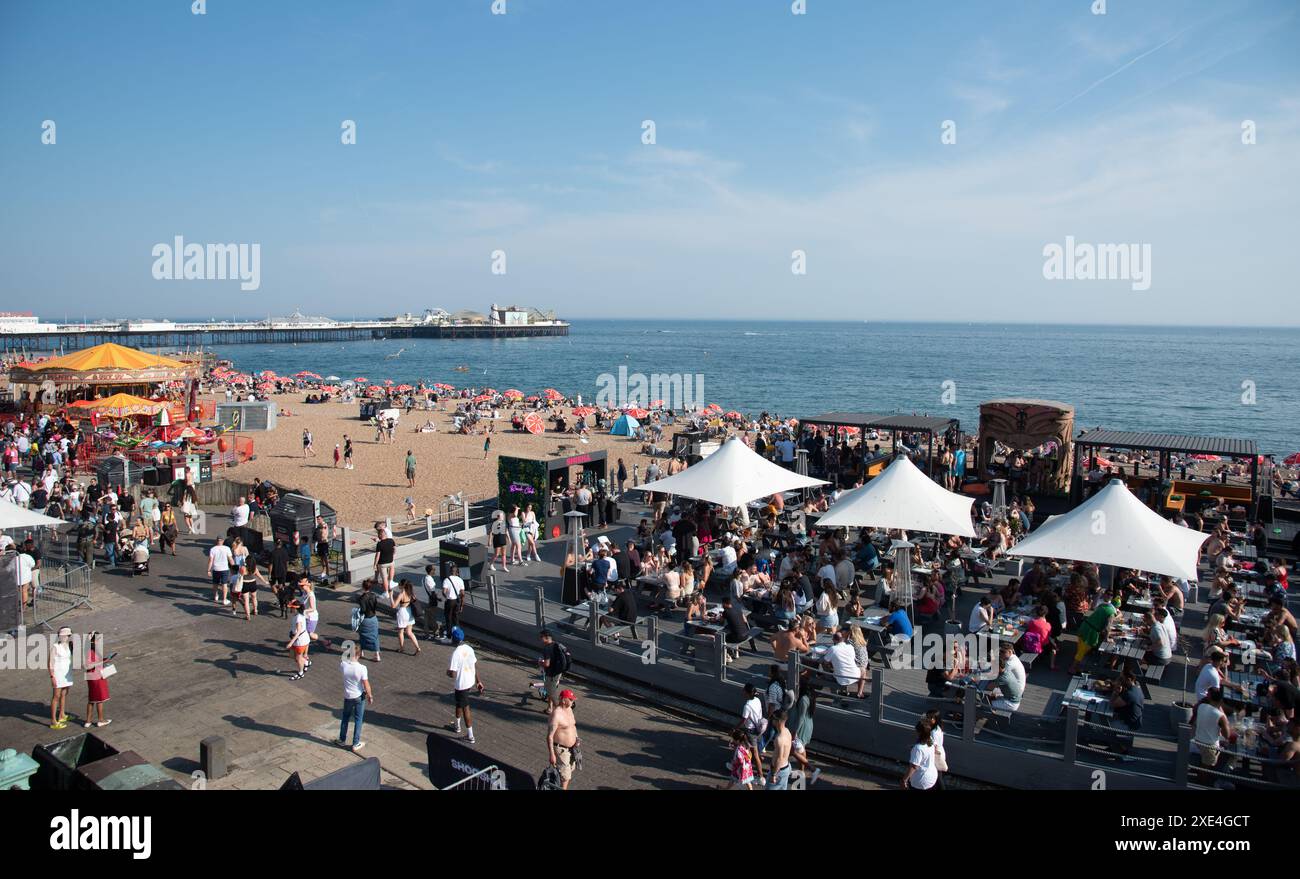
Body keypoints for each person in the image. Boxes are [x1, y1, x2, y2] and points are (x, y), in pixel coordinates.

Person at [447, 628, 484, 744]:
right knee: (459, 703)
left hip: (461, 684)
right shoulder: (469, 648)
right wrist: (478, 681)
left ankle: (470, 736)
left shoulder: (456, 653)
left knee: (465, 707)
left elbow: (452, 674)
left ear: (454, 639)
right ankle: (457, 725)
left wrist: (447, 672)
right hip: (470, 680)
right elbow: (474, 664)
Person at [1069, 594, 1119, 674]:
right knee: (1082, 651)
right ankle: (1072, 668)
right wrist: (1107, 638)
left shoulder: (1103, 606)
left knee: (1080, 649)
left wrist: (1114, 633)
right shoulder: (1111, 613)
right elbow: (1107, 628)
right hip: (1091, 631)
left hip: (1085, 626)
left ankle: (1077, 667)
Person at [337, 644, 373, 752]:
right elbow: (366, 684)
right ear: (359, 655)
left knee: (345, 718)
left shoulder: (343, 665)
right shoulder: (362, 668)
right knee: (358, 719)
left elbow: (343, 660)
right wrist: (370, 695)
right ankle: (355, 743)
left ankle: (342, 740)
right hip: (358, 696)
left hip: (347, 696)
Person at [546, 689, 580, 790]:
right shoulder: (556, 715)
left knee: (568, 772)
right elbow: (549, 736)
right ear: (564, 700)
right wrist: (552, 754)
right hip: (561, 750)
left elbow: (573, 726)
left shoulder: (569, 709)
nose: (573, 701)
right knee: (565, 776)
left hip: (572, 749)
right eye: (571, 699)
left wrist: (576, 738)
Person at [1193, 687, 1232, 768]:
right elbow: (1227, 735)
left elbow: (1195, 723)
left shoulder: (1201, 706)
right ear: (1221, 701)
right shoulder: (1220, 716)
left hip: (1197, 740)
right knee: (1206, 769)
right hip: (1209, 746)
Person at [83, 631, 111, 728]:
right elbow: (87, 665)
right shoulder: (90, 651)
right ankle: (101, 720)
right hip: (96, 676)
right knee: (100, 699)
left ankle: (88, 721)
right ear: (93, 640)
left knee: (91, 699)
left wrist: (104, 660)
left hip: (91, 676)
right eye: (98, 639)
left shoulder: (90, 650)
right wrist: (101, 663)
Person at [901, 720, 939, 790]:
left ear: (919, 733)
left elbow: (914, 767)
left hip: (921, 779)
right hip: (932, 776)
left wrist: (904, 780)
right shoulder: (930, 741)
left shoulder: (918, 748)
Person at [989, 642, 1026, 713]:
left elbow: (996, 675)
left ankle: (991, 716)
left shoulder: (1009, 664)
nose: (1000, 653)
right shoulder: (1013, 658)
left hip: (1017, 692)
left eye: (1002, 652)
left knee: (989, 696)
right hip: (1016, 689)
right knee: (992, 696)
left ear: (1010, 651)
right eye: (1000, 651)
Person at [49, 626, 74, 729]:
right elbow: (50, 663)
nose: (63, 637)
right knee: (56, 697)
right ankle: (53, 721)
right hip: (58, 675)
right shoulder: (55, 647)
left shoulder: (69, 645)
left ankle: (62, 715)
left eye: (66, 635)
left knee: (64, 693)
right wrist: (52, 677)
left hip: (66, 674)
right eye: (61, 635)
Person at [539, 629, 570, 712]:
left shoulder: (546, 649)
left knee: (551, 692)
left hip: (552, 673)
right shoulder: (556, 644)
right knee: (550, 690)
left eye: (541, 637)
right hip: (558, 671)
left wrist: (540, 663)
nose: (540, 639)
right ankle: (550, 708)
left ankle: (560, 711)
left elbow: (547, 664)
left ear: (547, 637)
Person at [355, 579, 382, 662]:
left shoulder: (361, 598)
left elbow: (363, 610)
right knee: (375, 636)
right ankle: (377, 655)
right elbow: (375, 606)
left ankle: (361, 652)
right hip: (373, 618)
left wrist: (357, 611)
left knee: (362, 635)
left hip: (365, 620)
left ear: (363, 587)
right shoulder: (373, 595)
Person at [393, 579, 422, 655]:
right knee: (409, 632)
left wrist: (390, 597)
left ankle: (402, 648)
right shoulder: (411, 593)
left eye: (400, 584)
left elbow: (393, 605)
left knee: (400, 632)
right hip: (409, 612)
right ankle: (417, 647)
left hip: (402, 612)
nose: (399, 585)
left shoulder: (401, 594)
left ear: (403, 586)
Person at [767, 708, 793, 790]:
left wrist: (773, 775)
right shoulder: (787, 731)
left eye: (773, 719)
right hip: (786, 767)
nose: (772, 721)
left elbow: (779, 759)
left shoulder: (779, 739)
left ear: (778, 721)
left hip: (779, 771)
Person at [287, 601, 311, 681]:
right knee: (293, 656)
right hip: (301, 640)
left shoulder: (298, 618)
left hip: (300, 641)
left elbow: (299, 631)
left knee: (298, 658)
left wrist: (291, 642)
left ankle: (300, 673)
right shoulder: (299, 615)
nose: (290, 609)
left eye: (292, 608)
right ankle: (306, 663)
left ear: (296, 609)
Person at [207, 536, 234, 606]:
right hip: (224, 569)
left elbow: (210, 560)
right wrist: (235, 568)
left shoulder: (213, 549)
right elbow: (230, 559)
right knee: (224, 584)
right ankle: (224, 600)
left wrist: (209, 570)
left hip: (216, 569)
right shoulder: (227, 548)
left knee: (215, 583)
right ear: (222, 541)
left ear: (216, 541)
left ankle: (216, 596)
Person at [924, 709, 947, 788]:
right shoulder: (937, 727)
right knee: (937, 776)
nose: (928, 719)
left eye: (931, 718)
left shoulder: (934, 732)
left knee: (938, 776)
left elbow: (933, 746)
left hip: (935, 755)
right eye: (927, 717)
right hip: (939, 752)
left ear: (936, 719)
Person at [442, 564, 465, 639]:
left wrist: (446, 596)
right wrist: (461, 604)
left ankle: (449, 635)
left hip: (449, 601)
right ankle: (457, 635)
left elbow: (443, 591)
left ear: (450, 571)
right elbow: (462, 594)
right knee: (456, 618)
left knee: (448, 618)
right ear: (456, 572)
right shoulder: (460, 580)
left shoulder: (446, 580)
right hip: (457, 601)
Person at [373, 527, 396, 594]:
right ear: (385, 534)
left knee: (384, 578)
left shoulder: (379, 544)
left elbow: (377, 556)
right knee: (392, 566)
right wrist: (393, 556)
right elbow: (395, 549)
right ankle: (391, 581)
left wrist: (375, 564)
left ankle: (386, 592)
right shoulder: (391, 540)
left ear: (379, 536)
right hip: (390, 561)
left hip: (382, 563)